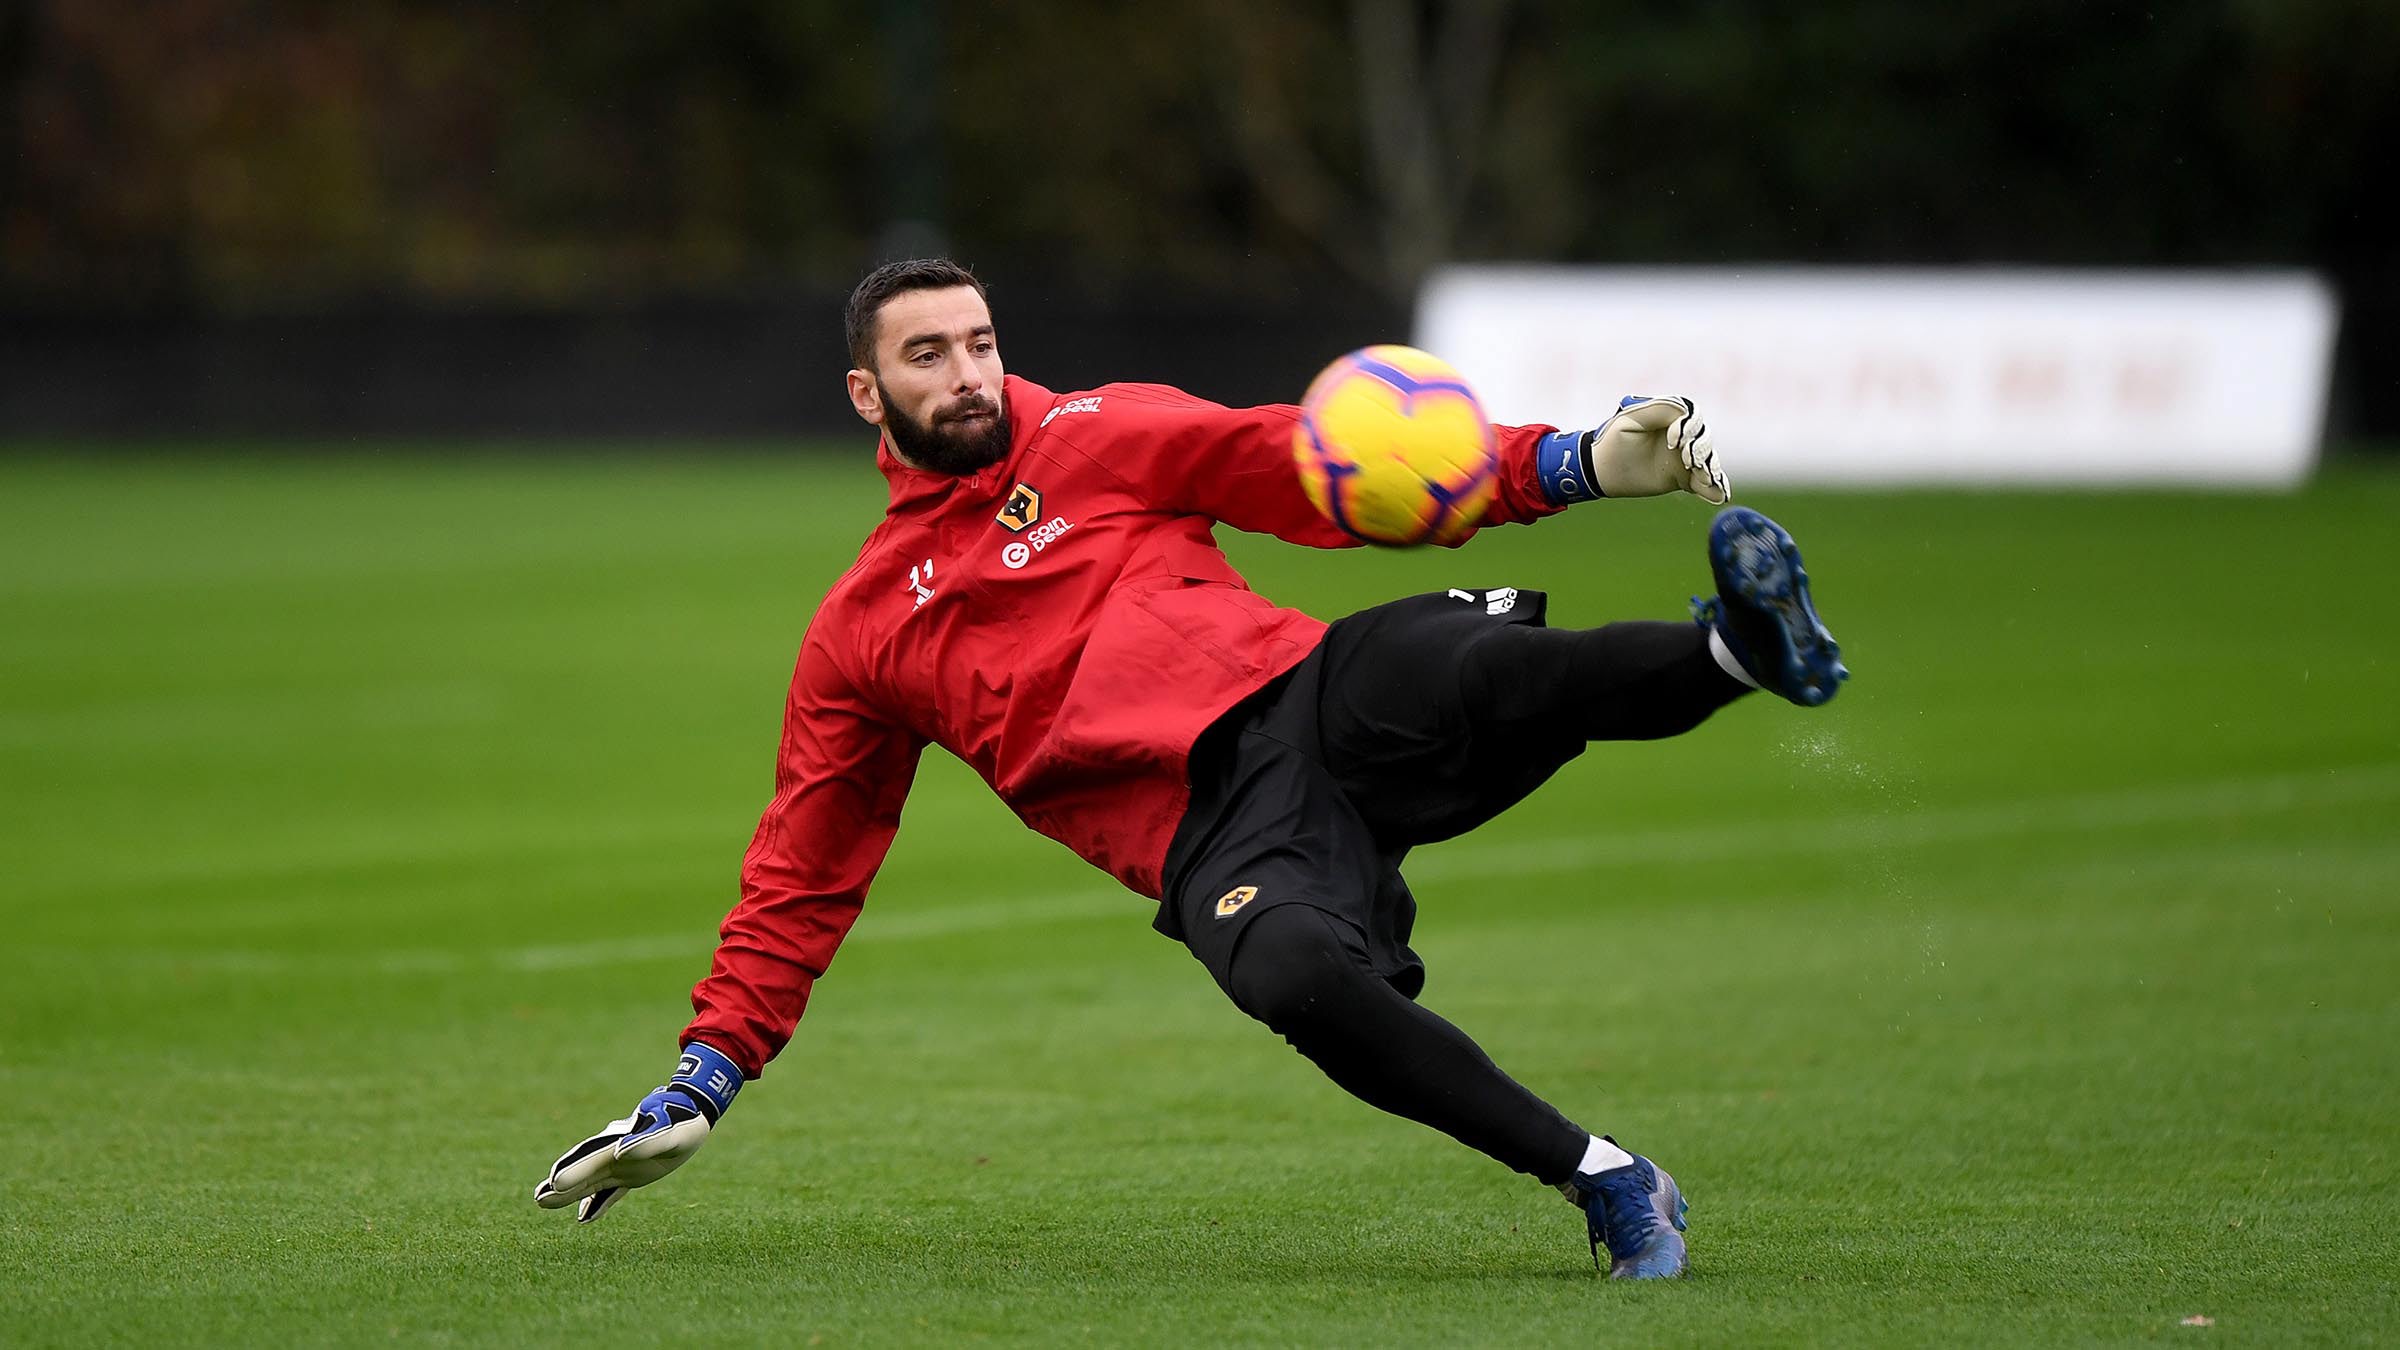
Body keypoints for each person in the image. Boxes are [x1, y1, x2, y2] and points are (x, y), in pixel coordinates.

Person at [535, 258, 1845, 1278]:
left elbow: (1316, 469)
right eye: (927, 355)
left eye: (980, 342)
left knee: (1474, 670)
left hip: (1306, 696)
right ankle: (1608, 1178)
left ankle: (1737, 648)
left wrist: (1579, 463)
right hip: (1211, 835)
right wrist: (708, 1075)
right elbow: (803, 871)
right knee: (1292, 974)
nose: (968, 372)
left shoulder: (1096, 432)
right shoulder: (863, 631)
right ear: (867, 395)